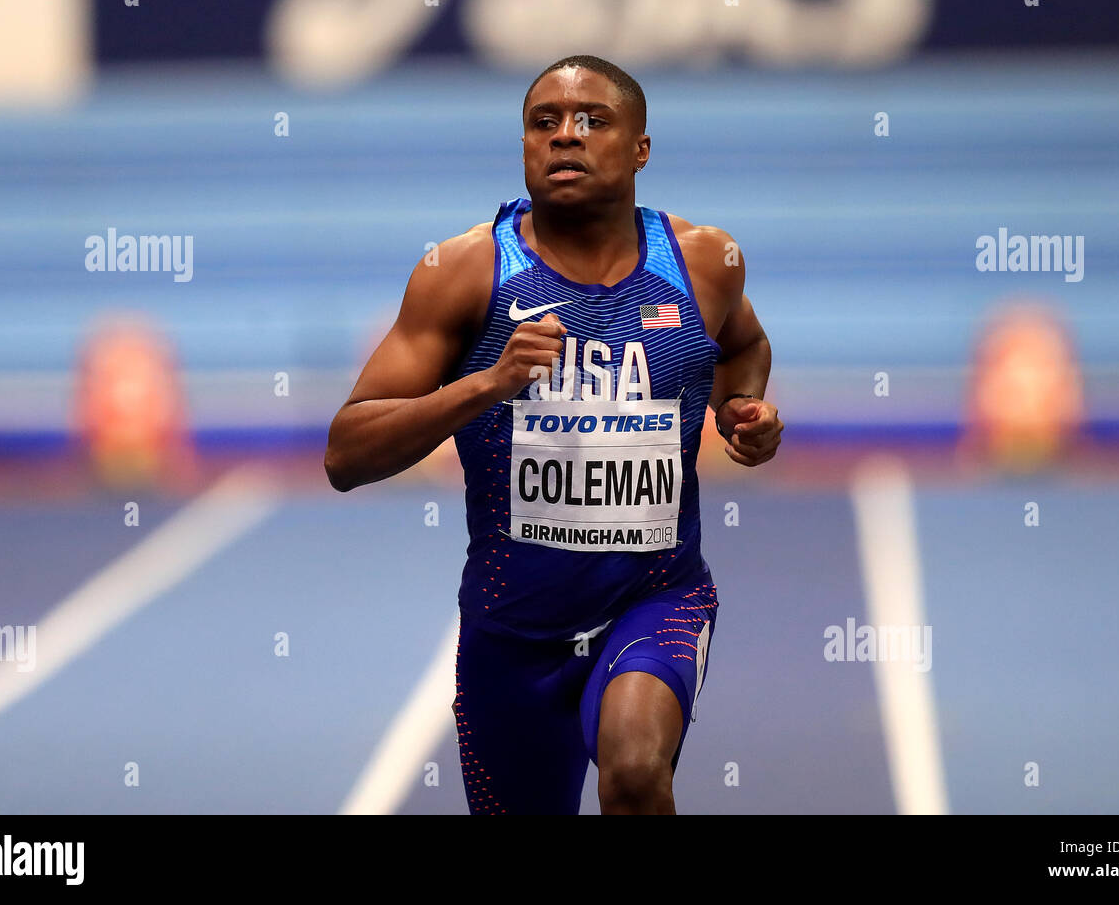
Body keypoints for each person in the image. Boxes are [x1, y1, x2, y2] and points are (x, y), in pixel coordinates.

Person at [325, 55, 782, 814]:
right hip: (512, 630)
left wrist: (741, 412)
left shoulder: (704, 261)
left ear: (640, 148)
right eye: (545, 123)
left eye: (592, 120)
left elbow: (743, 346)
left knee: (636, 771)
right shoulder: (464, 273)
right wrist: (489, 383)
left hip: (655, 599)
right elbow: (346, 454)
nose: (565, 137)